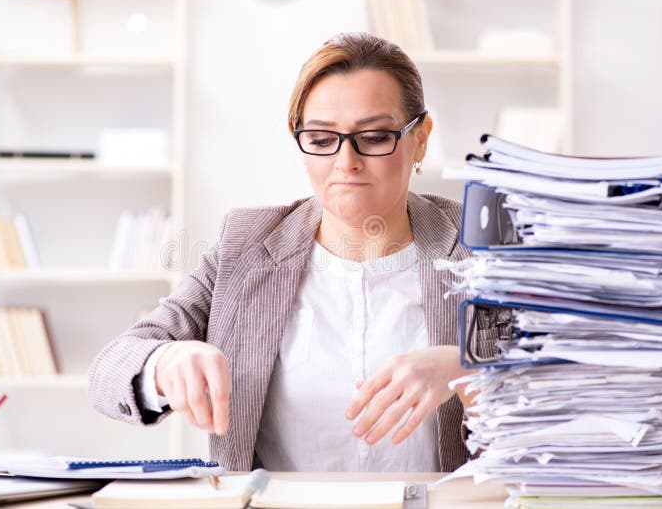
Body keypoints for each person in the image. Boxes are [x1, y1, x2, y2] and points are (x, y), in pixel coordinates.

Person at [88, 32, 485, 473]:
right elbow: (110, 370)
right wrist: (164, 361)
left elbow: (563, 381)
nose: (346, 161)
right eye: (320, 139)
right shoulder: (246, 245)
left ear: (421, 139)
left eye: (373, 137)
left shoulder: (482, 250)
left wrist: (467, 368)